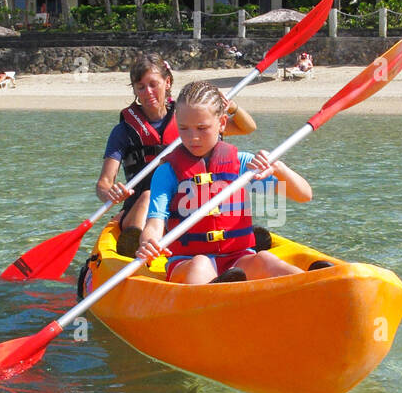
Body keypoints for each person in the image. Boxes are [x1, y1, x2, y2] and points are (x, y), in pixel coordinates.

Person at [136, 81, 313, 285]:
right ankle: (217, 298)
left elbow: (304, 195)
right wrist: (149, 242)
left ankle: (312, 285)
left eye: (202, 128)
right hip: (187, 262)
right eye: (183, 128)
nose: (193, 137)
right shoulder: (167, 172)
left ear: (221, 123)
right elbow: (154, 223)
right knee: (201, 264)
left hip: (237, 258)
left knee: (265, 259)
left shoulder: (242, 164)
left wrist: (279, 169)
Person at [97, 55, 257, 257]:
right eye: (141, 87)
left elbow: (248, 127)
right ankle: (136, 245)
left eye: (153, 85)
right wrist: (110, 193)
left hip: (184, 199)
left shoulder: (190, 122)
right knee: (147, 195)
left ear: (167, 83)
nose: (148, 92)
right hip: (141, 203)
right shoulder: (124, 131)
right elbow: (104, 183)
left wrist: (232, 107)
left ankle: (239, 239)